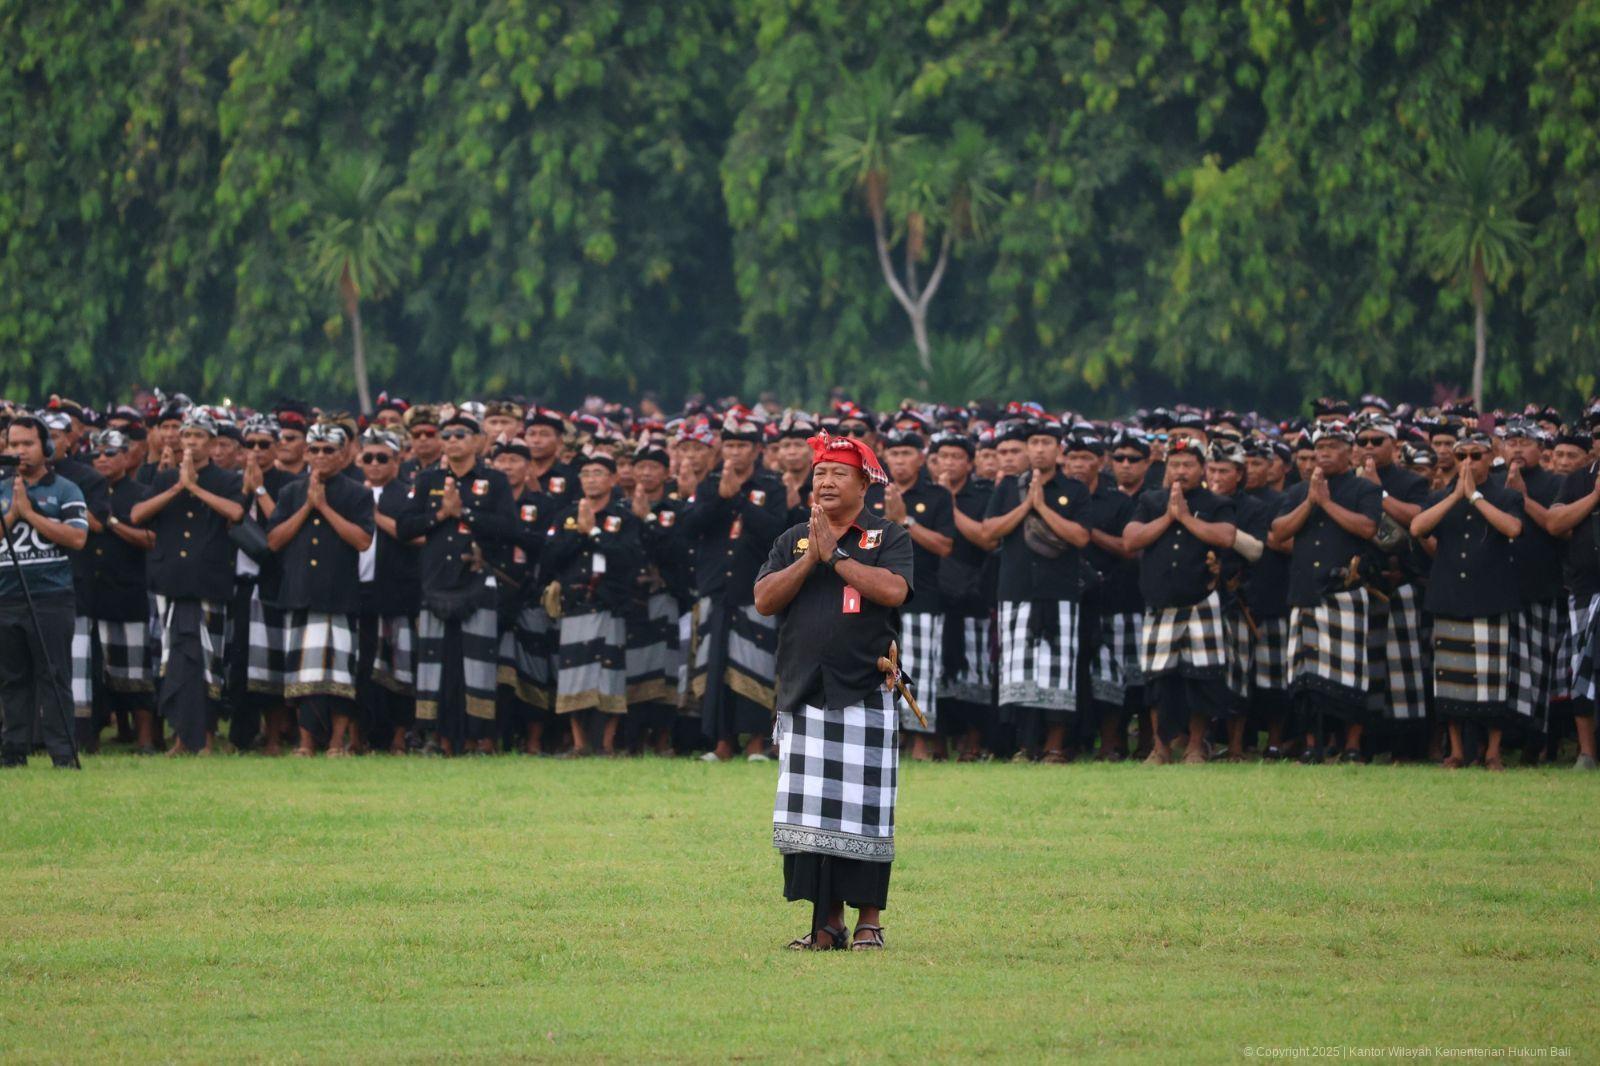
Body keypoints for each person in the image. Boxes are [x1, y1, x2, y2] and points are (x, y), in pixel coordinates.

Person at [754, 431, 912, 951]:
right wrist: (811, 557)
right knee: (811, 816)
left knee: (865, 809)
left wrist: (838, 557)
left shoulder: (886, 536)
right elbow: (764, 600)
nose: (824, 481)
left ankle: (869, 920)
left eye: (837, 474)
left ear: (864, 484)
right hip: (803, 691)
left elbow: (893, 590)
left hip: (864, 690)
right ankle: (827, 923)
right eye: (819, 473)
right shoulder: (792, 539)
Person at [396, 413, 516, 754]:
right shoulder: (427, 480)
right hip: (436, 583)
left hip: (476, 583)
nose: (451, 440)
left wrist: (465, 514)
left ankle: (481, 739)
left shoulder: (494, 481)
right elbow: (405, 527)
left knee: (477, 664)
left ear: (478, 441)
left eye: (460, 434)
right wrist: (440, 516)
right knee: (438, 663)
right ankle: (439, 738)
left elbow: (510, 530)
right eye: (446, 435)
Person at [128, 410, 246, 755]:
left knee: (208, 663)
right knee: (174, 660)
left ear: (211, 442)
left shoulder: (225, 480)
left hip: (209, 582)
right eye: (187, 435)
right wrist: (179, 486)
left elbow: (236, 513)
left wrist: (196, 487)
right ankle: (181, 738)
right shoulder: (165, 480)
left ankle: (206, 738)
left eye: (198, 435)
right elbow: (137, 515)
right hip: (171, 582)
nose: (191, 441)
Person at [1410, 432, 1524, 769]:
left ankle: (1492, 751)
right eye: (1462, 457)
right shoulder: (1441, 496)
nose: (1469, 462)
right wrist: (1456, 495)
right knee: (1451, 678)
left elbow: (1513, 529)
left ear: (1491, 457)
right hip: (1449, 596)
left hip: (1491, 597)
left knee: (1492, 678)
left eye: (1476, 455)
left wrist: (1474, 498)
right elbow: (1417, 527)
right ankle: (1456, 750)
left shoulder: (1505, 496)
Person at [1269, 422, 1381, 763]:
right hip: (1305, 591)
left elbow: (1367, 528)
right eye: (1320, 448)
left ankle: (1351, 744)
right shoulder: (1298, 491)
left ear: (1351, 452)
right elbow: (1278, 532)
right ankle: (1311, 743)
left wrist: (1327, 504)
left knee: (1350, 671)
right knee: (1307, 674)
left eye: (1333, 446)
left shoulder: (1364, 489)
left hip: (1344, 592)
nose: (1324, 454)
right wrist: (1310, 502)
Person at [1123, 437, 1237, 764]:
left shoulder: (1216, 503)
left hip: (1201, 602)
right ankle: (1160, 749)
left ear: (1201, 468)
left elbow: (1227, 537)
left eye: (1188, 465)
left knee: (1200, 678)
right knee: (1159, 679)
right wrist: (1169, 518)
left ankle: (1195, 747)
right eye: (1175, 464)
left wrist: (1187, 519)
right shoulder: (1150, 501)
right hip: (1160, 603)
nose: (1181, 471)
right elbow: (1130, 540)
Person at [682, 411, 788, 761]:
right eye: (729, 444)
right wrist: (722, 498)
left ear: (757, 449)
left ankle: (757, 742)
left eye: (742, 445)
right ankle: (722, 744)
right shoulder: (710, 485)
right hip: (716, 590)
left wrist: (740, 500)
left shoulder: (771, 486)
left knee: (756, 666)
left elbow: (777, 530)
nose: (735, 452)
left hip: (754, 590)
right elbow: (693, 526)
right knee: (716, 670)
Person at [982, 419, 1090, 761]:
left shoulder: (1074, 490)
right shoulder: (1008, 488)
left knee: (1057, 671)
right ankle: (1026, 746)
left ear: (1059, 450)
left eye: (1046, 442)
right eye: (1034, 443)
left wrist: (1042, 507)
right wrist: (1026, 506)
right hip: (1015, 592)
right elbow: (989, 531)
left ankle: (1055, 745)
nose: (1039, 448)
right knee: (1020, 671)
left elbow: (1080, 537)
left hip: (1059, 594)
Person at [266, 423, 375, 756]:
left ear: (343, 454)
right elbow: (274, 541)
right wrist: (308, 507)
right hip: (300, 591)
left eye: (329, 449)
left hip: (339, 594)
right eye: (314, 449)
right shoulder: (290, 492)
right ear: (305, 453)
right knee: (302, 672)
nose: (321, 456)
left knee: (339, 673)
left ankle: (336, 743)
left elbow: (362, 541)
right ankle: (305, 742)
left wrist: (325, 507)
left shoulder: (357, 493)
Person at [0, 415, 89, 768]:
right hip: (6, 596)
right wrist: (12, 514)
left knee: (54, 676)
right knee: (12, 679)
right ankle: (12, 752)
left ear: (45, 447)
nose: (19, 451)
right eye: (13, 444)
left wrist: (30, 514)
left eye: (28, 444)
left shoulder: (66, 489)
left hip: (52, 597)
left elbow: (78, 538)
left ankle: (63, 755)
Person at [543, 450, 643, 754]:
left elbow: (630, 559)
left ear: (612, 479)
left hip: (610, 603)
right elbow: (549, 558)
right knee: (574, 673)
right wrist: (579, 534)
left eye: (598, 473)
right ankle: (578, 743)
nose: (591, 479)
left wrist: (595, 533)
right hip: (575, 603)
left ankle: (608, 743)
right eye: (585, 474)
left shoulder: (623, 518)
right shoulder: (566, 516)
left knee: (609, 672)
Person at [878, 428, 955, 758]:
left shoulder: (937, 496)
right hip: (880, 596)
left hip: (924, 596)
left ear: (921, 458)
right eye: (893, 453)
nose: (900, 460)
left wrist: (904, 521)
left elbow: (944, 545)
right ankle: (888, 738)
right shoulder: (870, 494)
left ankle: (921, 739)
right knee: (883, 668)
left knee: (920, 668)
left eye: (907, 453)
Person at [87, 429, 159, 754]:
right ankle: (100, 735)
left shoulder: (141, 492)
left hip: (129, 591)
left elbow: (151, 539)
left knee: (136, 670)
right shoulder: (86, 490)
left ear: (127, 456)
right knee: (96, 670)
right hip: (93, 591)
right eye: (97, 454)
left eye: (110, 453)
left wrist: (112, 523)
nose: (102, 459)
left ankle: (145, 737)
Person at [930, 429, 997, 761]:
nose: (950, 462)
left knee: (975, 672)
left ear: (970, 463)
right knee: (936, 671)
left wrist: (949, 503)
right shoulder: (924, 494)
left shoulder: (982, 496)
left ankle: (973, 740)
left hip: (973, 594)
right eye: (944, 456)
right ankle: (938, 740)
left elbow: (986, 539)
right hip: (933, 594)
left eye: (957, 457)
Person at [355, 427, 419, 754]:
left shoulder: (407, 494)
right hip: (356, 592)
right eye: (369, 457)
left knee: (399, 669)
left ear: (397, 461)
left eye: (383, 458)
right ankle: (361, 735)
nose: (375, 464)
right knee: (361, 667)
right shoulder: (351, 492)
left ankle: (398, 736)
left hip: (395, 593)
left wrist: (375, 517)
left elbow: (417, 535)